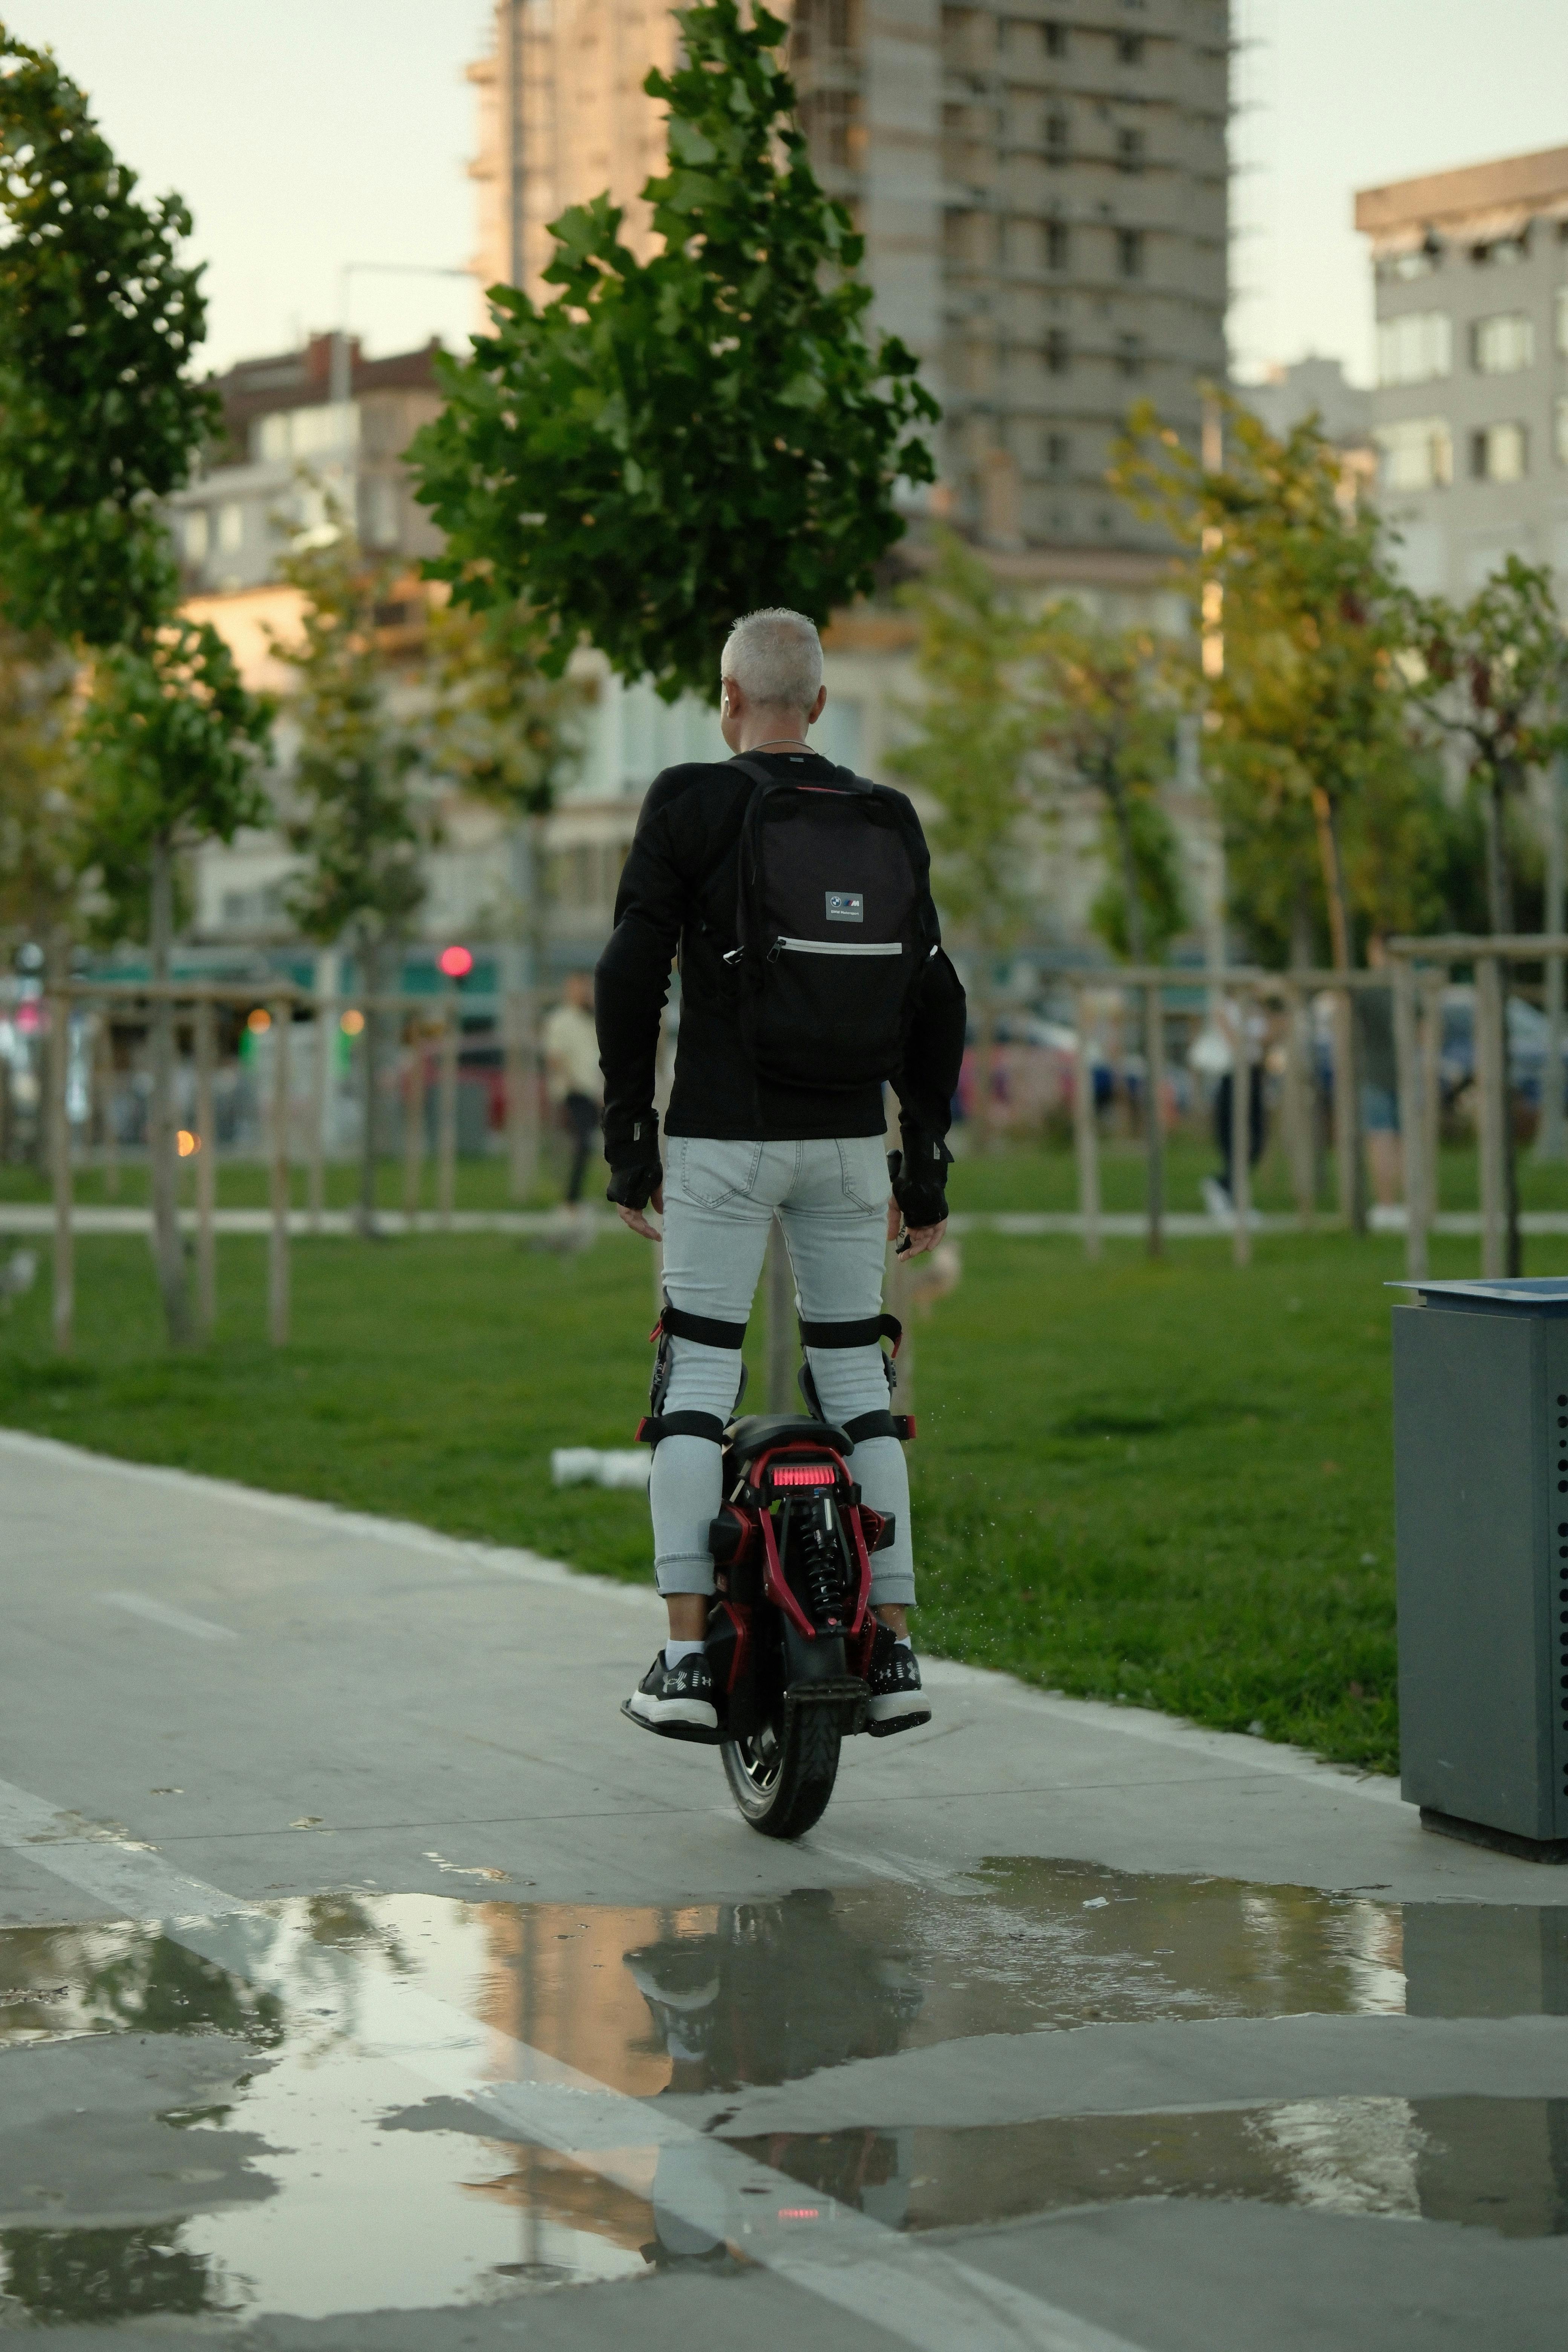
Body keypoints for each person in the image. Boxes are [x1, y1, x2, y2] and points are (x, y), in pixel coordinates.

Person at [594, 606, 966, 1736]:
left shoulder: (690, 803)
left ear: (726, 699)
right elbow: (936, 999)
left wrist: (629, 1144)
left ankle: (685, 1662)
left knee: (694, 1388)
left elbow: (628, 975)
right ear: (816, 702)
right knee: (860, 1388)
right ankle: (894, 1654)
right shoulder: (883, 815)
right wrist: (924, 1161)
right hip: (851, 1144)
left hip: (721, 1137)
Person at [541, 971, 602, 1207]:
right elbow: (555, 1057)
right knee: (583, 1143)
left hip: (596, 1092)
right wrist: (571, 1085)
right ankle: (571, 1198)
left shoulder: (591, 1019)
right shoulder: (559, 1020)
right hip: (575, 1092)